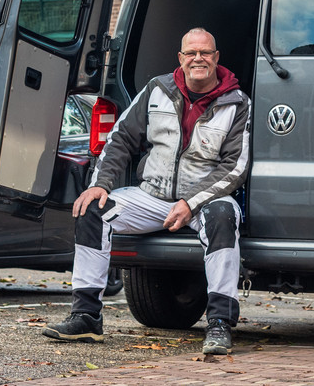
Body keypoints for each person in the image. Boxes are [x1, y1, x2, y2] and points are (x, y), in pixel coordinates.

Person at [42, 27, 251, 355]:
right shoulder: (157, 90)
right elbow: (121, 138)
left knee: (224, 215)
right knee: (93, 209)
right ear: (181, 58)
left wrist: (190, 202)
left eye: (206, 53)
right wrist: (100, 185)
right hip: (151, 195)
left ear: (216, 58)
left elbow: (234, 167)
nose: (199, 58)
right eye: (191, 53)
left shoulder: (237, 103)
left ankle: (220, 324)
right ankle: (86, 316)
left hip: (206, 200)